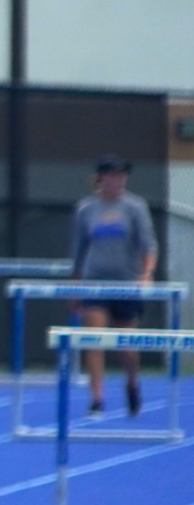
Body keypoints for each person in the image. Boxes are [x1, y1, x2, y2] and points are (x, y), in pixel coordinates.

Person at [69, 153, 158, 417]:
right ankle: (96, 398)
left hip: (126, 282)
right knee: (93, 339)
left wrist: (146, 273)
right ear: (102, 178)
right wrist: (74, 287)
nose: (118, 180)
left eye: (122, 175)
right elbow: (78, 251)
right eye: (113, 175)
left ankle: (132, 382)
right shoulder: (86, 209)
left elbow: (149, 245)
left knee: (126, 347)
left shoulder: (134, 207)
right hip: (94, 281)